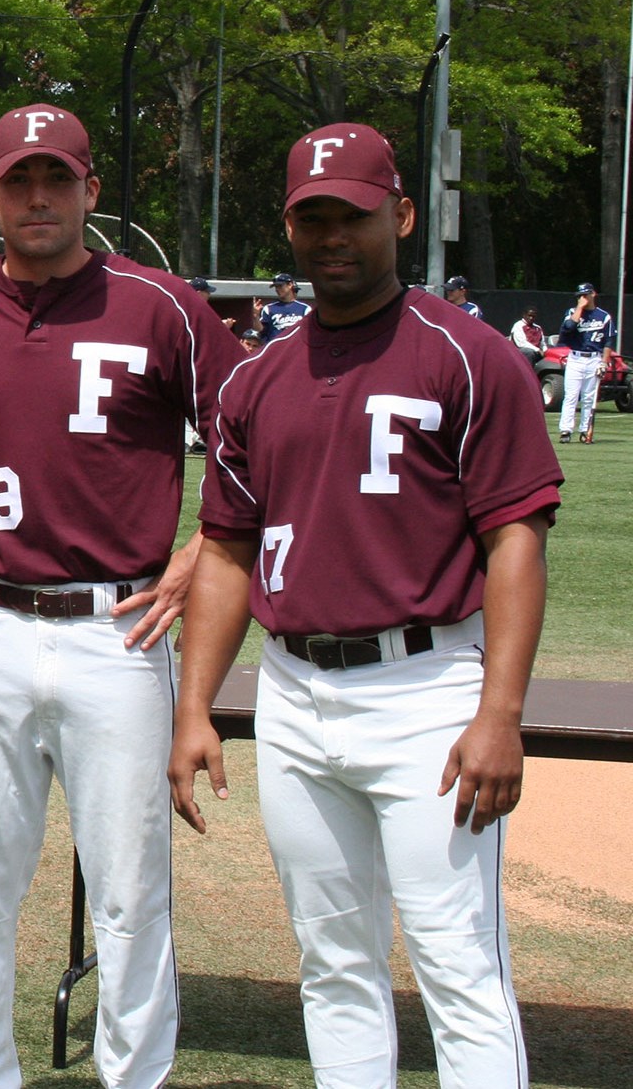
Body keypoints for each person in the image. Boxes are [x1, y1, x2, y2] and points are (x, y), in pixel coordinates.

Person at [171, 121, 560, 1089]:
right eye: (310, 217)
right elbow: (223, 550)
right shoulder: (255, 377)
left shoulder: (466, 355)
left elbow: (514, 537)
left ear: (398, 213)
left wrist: (498, 712)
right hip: (296, 692)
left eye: (348, 214)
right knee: (332, 963)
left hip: (424, 688)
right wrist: (191, 709)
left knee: (456, 960)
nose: (328, 236)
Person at [0, 103, 243, 1089]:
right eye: (17, 181)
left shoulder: (161, 305)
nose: (37, 197)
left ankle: (131, 1076)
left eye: (56, 178)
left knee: (130, 888)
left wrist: (201, 551)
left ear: (90, 190)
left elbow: (259, 438)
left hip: (118, 626)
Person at [558, 281, 615, 443]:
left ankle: (585, 430)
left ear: (593, 294)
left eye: (585, 295)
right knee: (571, 396)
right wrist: (580, 308)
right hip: (575, 357)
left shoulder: (604, 316)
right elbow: (568, 328)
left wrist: (604, 363)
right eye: (579, 296)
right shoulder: (572, 312)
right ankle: (566, 430)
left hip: (594, 359)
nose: (582, 298)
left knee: (589, 397)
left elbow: (608, 342)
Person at [259, 272, 312, 341]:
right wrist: (255, 317)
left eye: (280, 286)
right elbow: (261, 331)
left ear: (290, 285)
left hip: (296, 348)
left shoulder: (305, 309)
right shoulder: (269, 308)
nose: (277, 289)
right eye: (276, 287)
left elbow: (310, 332)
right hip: (276, 348)